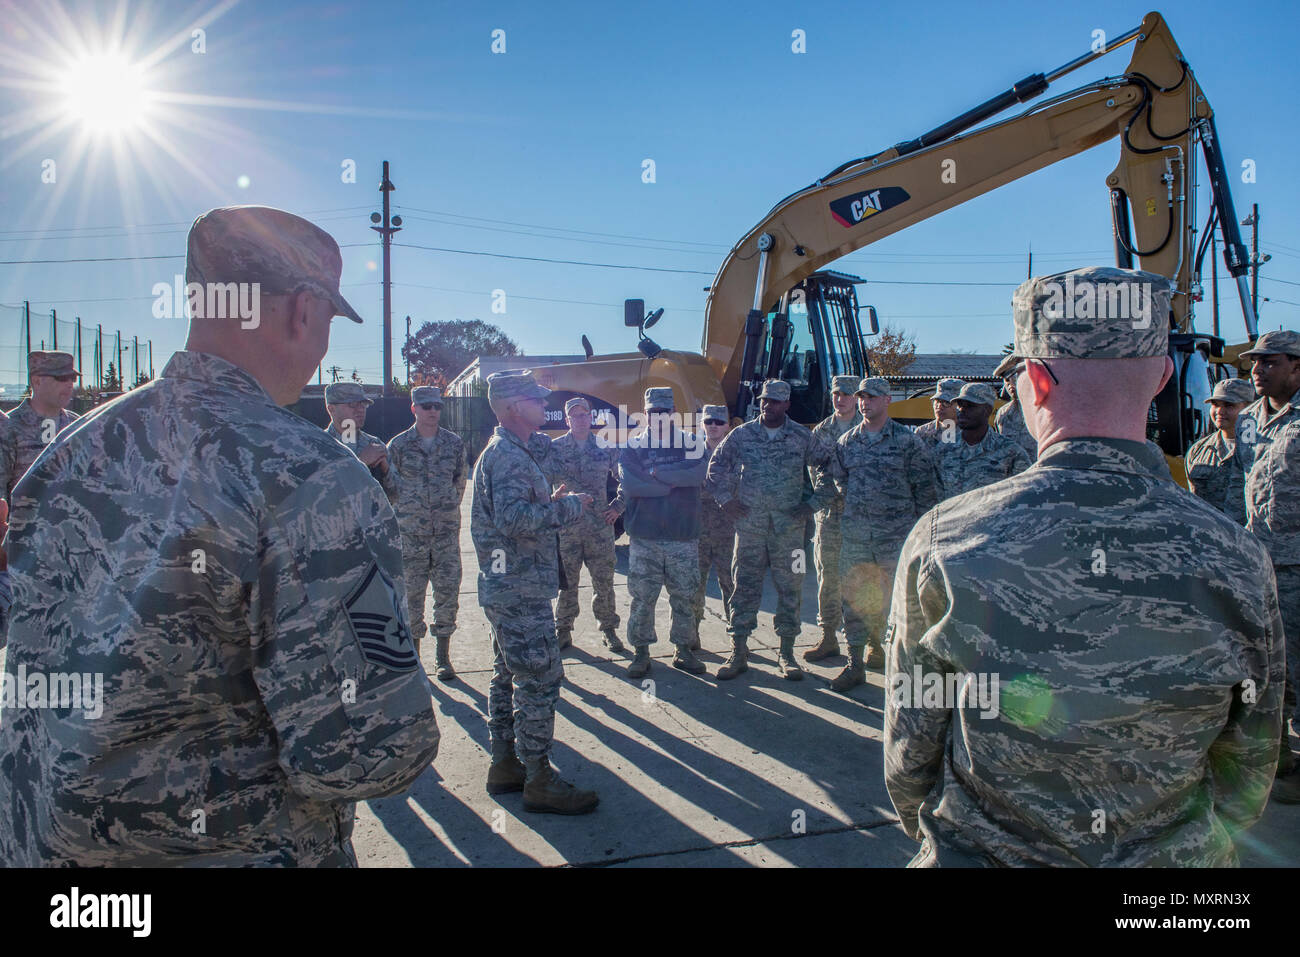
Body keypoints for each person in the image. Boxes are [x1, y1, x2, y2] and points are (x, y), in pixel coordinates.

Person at [0, 205, 440, 866]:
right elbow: (369, 752)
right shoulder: (310, 476)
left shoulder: (62, 458)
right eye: (325, 324)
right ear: (302, 310)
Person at [885, 266, 1283, 866]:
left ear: (1035, 381)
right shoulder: (1238, 555)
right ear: (1163, 375)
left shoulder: (946, 538)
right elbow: (1251, 759)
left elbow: (911, 751)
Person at [471, 369, 599, 814]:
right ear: (511, 408)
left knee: (508, 674)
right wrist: (567, 506)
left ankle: (506, 764)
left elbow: (515, 511)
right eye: (534, 399)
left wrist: (547, 502)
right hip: (519, 590)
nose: (543, 405)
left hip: (509, 587)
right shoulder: (507, 454)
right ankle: (539, 778)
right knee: (541, 679)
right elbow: (513, 520)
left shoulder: (511, 450)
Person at [705, 379, 835, 682]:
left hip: (790, 531)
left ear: (787, 404)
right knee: (743, 587)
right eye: (765, 400)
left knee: (791, 589)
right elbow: (716, 468)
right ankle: (738, 651)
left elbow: (829, 466)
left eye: (775, 401)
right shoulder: (742, 434)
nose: (768, 406)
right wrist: (726, 501)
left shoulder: (802, 437)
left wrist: (814, 503)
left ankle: (787, 653)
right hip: (750, 528)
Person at [829, 377, 939, 692]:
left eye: (872, 397)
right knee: (854, 599)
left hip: (896, 537)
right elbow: (841, 485)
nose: (865, 403)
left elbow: (923, 490)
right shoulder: (847, 443)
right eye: (862, 397)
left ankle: (898, 668)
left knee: (899, 603)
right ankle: (855, 664)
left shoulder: (907, 442)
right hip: (857, 536)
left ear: (887, 400)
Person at [1231, 329, 1300, 802]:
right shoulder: (1252, 419)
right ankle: (1286, 757)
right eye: (1255, 362)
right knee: (1275, 664)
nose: (1257, 369)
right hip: (1263, 559)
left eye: (1269, 362)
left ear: (1297, 366)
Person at [618, 388, 709, 678]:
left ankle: (683, 650)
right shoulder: (632, 447)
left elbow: (698, 475)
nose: (658, 416)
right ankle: (640, 653)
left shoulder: (693, 443)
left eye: (664, 411)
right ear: (645, 414)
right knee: (643, 598)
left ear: (672, 413)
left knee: (684, 596)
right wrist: (672, 483)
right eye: (652, 412)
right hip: (645, 537)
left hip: (683, 535)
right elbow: (632, 486)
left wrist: (656, 474)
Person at [387, 384, 467, 680]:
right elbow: (389, 486)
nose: (433, 411)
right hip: (410, 535)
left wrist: (444, 510)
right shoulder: (398, 445)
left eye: (437, 406)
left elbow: (460, 482)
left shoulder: (454, 443)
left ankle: (443, 656)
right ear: (414, 409)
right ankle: (415, 657)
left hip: (446, 534)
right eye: (426, 406)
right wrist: (413, 512)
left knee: (447, 594)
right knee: (411, 597)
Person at [543, 397, 625, 654]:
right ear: (567, 420)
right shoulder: (554, 449)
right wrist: (554, 502)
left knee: (604, 583)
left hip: (600, 528)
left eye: (583, 414)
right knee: (567, 584)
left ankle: (608, 629)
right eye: (574, 415)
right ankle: (563, 630)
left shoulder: (606, 448)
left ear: (591, 417)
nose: (579, 419)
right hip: (567, 528)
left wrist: (618, 506)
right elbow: (540, 484)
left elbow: (628, 478)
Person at [804, 375, 861, 663]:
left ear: (857, 397)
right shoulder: (822, 431)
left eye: (846, 394)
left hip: (861, 517)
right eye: (837, 392)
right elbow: (814, 473)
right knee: (828, 577)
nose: (840, 398)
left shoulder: (868, 428)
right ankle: (828, 636)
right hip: (829, 516)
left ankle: (870, 641)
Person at [0, 351, 82, 503]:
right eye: (62, 378)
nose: (70, 384)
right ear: (37, 381)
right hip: (24, 525)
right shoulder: (8, 427)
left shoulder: (77, 425)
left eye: (72, 378)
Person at [935, 381, 1031, 499]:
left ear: (987, 410)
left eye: (970, 406)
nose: (962, 410)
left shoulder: (1010, 452)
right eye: (960, 405)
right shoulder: (942, 451)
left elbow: (1024, 495)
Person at [1184, 377, 1254, 525]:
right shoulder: (1198, 451)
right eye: (1215, 404)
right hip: (1209, 538)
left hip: (1249, 540)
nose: (1220, 411)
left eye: (1229, 405)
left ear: (1250, 408)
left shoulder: (1262, 449)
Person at [693, 404, 735, 646]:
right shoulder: (693, 453)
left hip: (728, 529)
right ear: (702, 424)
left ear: (727, 425)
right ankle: (692, 632)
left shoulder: (735, 453)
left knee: (730, 583)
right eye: (709, 421)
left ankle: (736, 635)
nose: (713, 426)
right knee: (695, 583)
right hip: (698, 528)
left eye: (719, 422)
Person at [324, 381, 398, 504]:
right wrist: (360, 463)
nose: (360, 410)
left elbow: (396, 497)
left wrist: (386, 471)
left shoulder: (374, 444)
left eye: (363, 404)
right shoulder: (317, 445)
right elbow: (317, 497)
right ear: (331, 409)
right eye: (352, 404)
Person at [995, 371, 1037, 459]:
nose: (1011, 385)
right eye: (1007, 380)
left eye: (1015, 379)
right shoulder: (1003, 413)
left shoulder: (1041, 410)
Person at [912, 378, 962, 448]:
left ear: (960, 405)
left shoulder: (969, 433)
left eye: (946, 402)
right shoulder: (922, 432)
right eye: (937, 401)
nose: (939, 406)